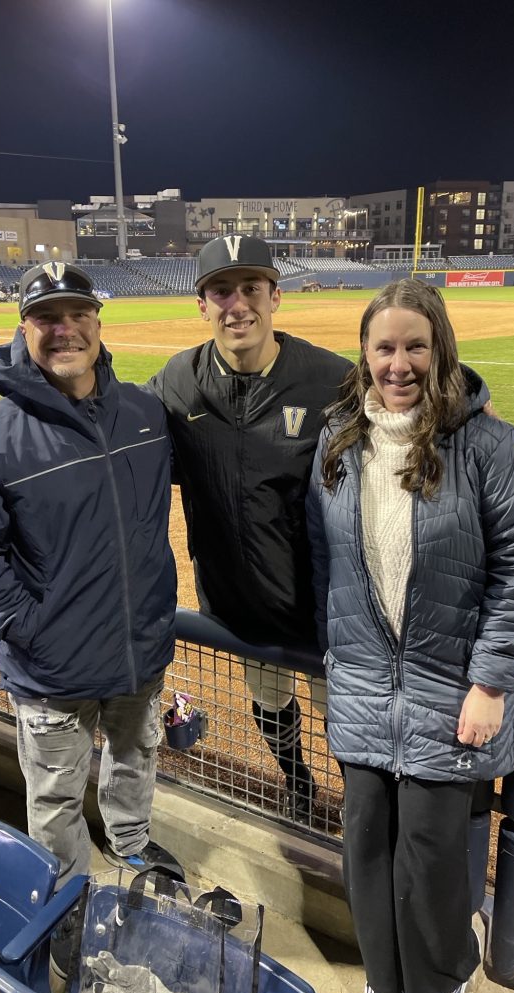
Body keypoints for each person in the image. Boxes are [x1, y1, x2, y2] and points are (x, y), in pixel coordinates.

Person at [306, 278, 514, 993]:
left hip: (450, 690)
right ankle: (387, 984)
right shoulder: (338, 440)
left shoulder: (488, 444)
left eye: (416, 346)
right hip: (363, 687)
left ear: (440, 348)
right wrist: (338, 659)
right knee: (366, 850)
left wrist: (491, 683)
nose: (399, 363)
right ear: (364, 352)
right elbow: (324, 559)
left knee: (432, 857)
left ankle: (439, 984)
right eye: (385, 347)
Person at [0, 262, 180, 914]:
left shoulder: (145, 414)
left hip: (138, 648)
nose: (64, 329)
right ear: (24, 328)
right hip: (52, 667)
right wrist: (30, 628)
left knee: (136, 758)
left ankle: (130, 843)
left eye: (78, 314)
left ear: (99, 322)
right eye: (47, 317)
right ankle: (66, 899)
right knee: (54, 796)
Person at [150, 235, 352, 823]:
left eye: (251, 288)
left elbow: (407, 396)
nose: (237, 304)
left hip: (321, 604)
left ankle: (359, 801)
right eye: (221, 291)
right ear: (202, 305)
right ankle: (297, 781)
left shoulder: (329, 377)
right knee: (270, 700)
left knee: (340, 712)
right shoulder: (179, 380)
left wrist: (469, 396)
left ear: (275, 297)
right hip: (237, 600)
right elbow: (113, 420)